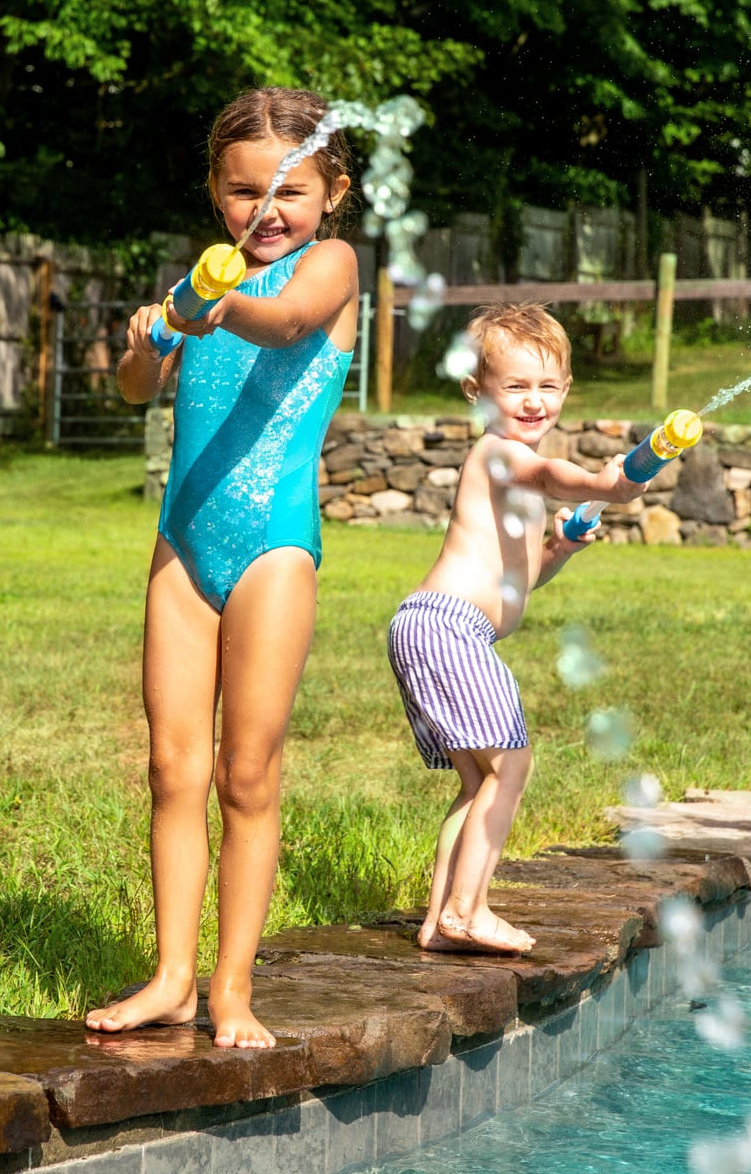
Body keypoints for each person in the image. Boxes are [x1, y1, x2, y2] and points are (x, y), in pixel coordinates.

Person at [85, 87, 358, 1048]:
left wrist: (208, 304)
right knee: (172, 767)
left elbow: (284, 326)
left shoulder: (331, 266)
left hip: (275, 549)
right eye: (245, 193)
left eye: (290, 191)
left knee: (248, 774)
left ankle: (231, 988)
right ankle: (170, 976)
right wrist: (142, 340)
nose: (266, 211)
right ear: (216, 192)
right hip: (182, 547)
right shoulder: (198, 283)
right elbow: (130, 387)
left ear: (334, 191)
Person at [387, 304, 644, 955]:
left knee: (479, 782)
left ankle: (442, 920)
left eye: (548, 387)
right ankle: (468, 911)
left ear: (566, 390)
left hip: (436, 626)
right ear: (477, 393)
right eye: (515, 387)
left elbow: (517, 582)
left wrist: (560, 550)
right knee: (514, 762)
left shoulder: (515, 471)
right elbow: (553, 475)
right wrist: (600, 483)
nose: (534, 401)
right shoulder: (501, 455)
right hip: (449, 628)